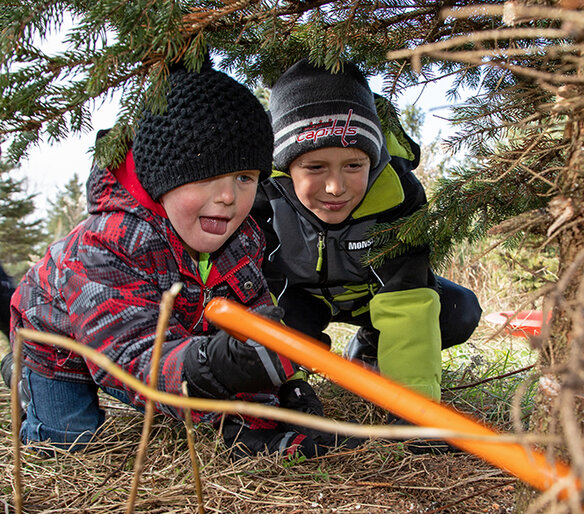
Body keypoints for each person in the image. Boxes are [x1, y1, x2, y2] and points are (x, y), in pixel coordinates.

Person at [7, 59, 347, 459]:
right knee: (70, 444)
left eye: (244, 178)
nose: (228, 197)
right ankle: (23, 376)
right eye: (205, 177)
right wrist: (213, 368)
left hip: (164, 329)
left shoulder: (242, 236)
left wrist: (275, 389)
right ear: (162, 179)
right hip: (60, 342)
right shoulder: (111, 243)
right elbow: (134, 359)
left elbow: (253, 321)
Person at [253, 59, 482, 435]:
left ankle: (371, 349)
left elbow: (407, 299)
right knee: (278, 334)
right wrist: (279, 386)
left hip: (371, 296)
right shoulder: (262, 193)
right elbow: (258, 296)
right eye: (315, 168)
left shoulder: (397, 194)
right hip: (297, 300)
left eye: (353, 166)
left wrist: (416, 408)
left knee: (458, 310)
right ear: (285, 165)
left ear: (372, 160)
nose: (335, 187)